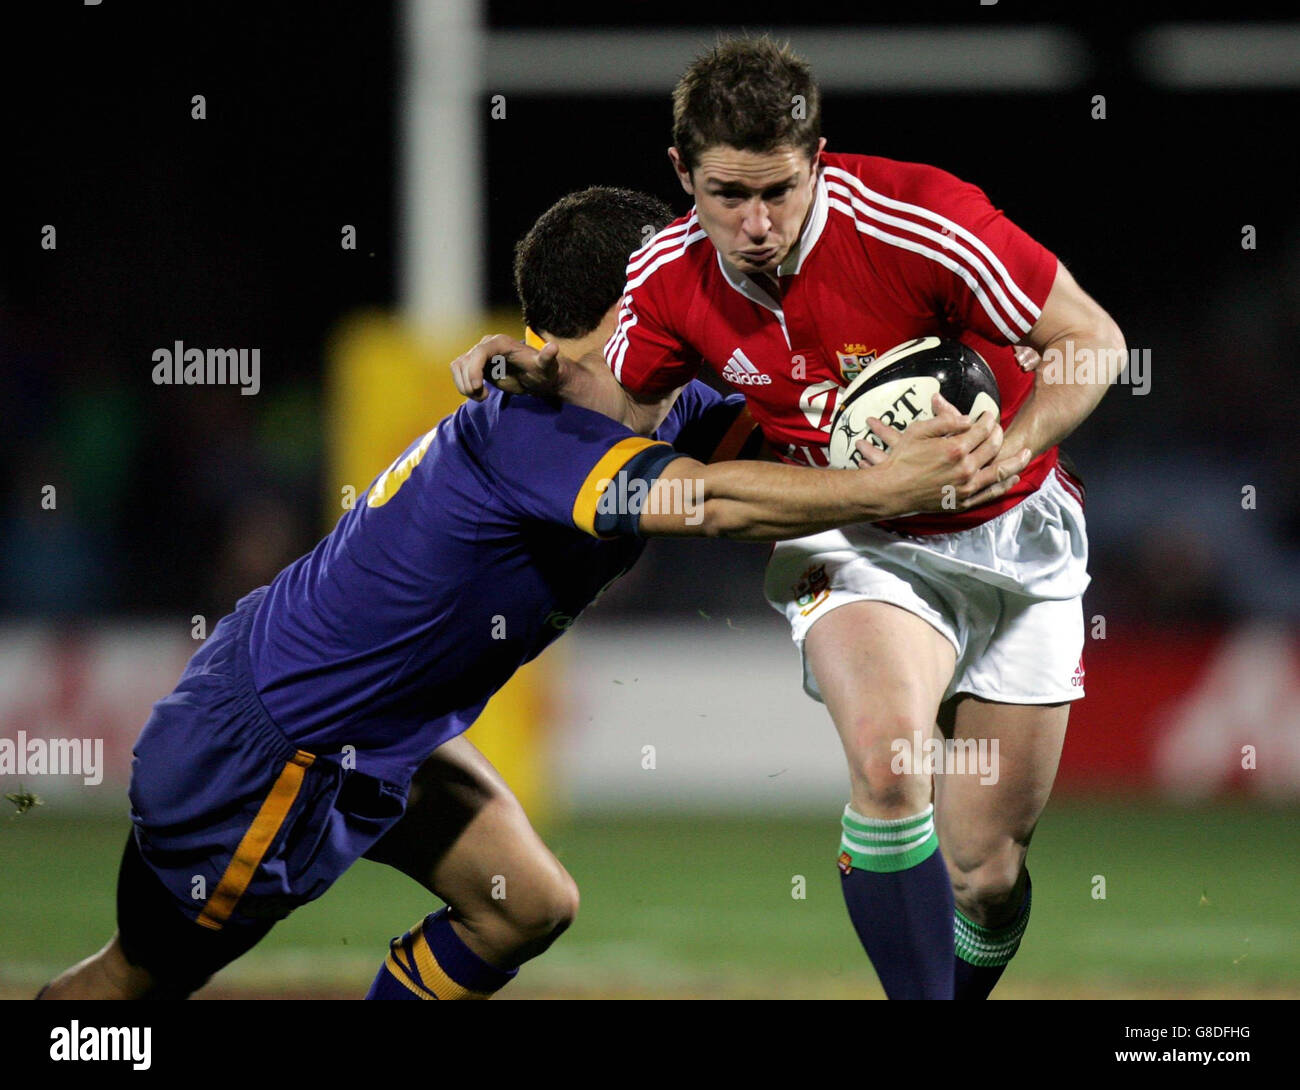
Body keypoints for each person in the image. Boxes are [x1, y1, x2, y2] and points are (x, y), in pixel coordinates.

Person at [40, 186, 1019, 1001]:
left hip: (379, 732)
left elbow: (787, 423)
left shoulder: (663, 395)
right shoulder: (531, 433)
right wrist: (885, 485)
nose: (712, 289)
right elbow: (713, 503)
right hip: (269, 749)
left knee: (524, 903)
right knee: (130, 989)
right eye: (684, 274)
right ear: (631, 303)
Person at [454, 38, 1127, 1000]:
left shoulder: (922, 217)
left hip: (1017, 532)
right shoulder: (666, 275)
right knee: (894, 770)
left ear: (818, 157)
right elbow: (618, 416)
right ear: (681, 173)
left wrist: (1011, 446)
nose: (759, 224)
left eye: (780, 190)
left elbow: (1090, 341)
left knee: (985, 874)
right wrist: (541, 370)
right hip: (857, 543)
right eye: (729, 195)